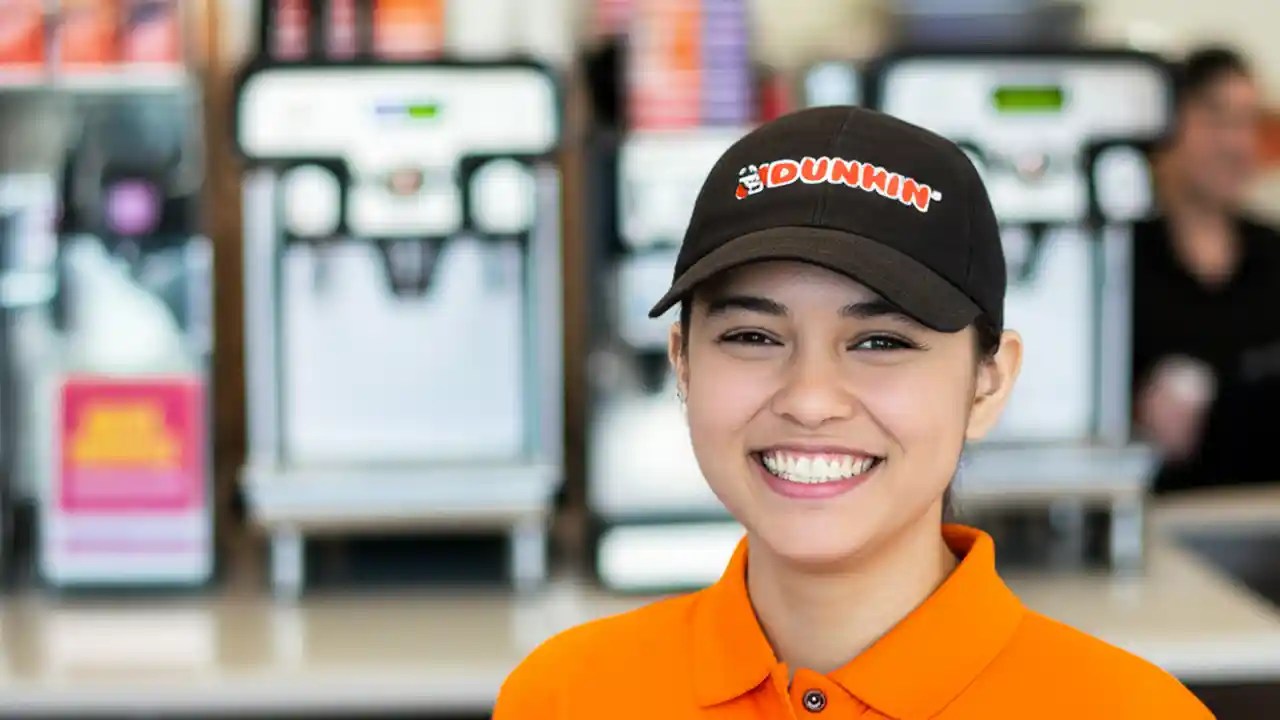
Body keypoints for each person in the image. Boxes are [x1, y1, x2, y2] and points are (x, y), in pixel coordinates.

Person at [495, 107, 1211, 718]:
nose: (810, 399)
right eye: (753, 336)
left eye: (880, 341)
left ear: (988, 384)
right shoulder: (565, 697)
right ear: (683, 362)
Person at [1132, 46, 1280, 494]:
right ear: (1167, 126)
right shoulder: (1124, 261)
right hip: (1157, 524)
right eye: (1217, 119)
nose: (1237, 145)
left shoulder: (1273, 257)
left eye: (1247, 123)